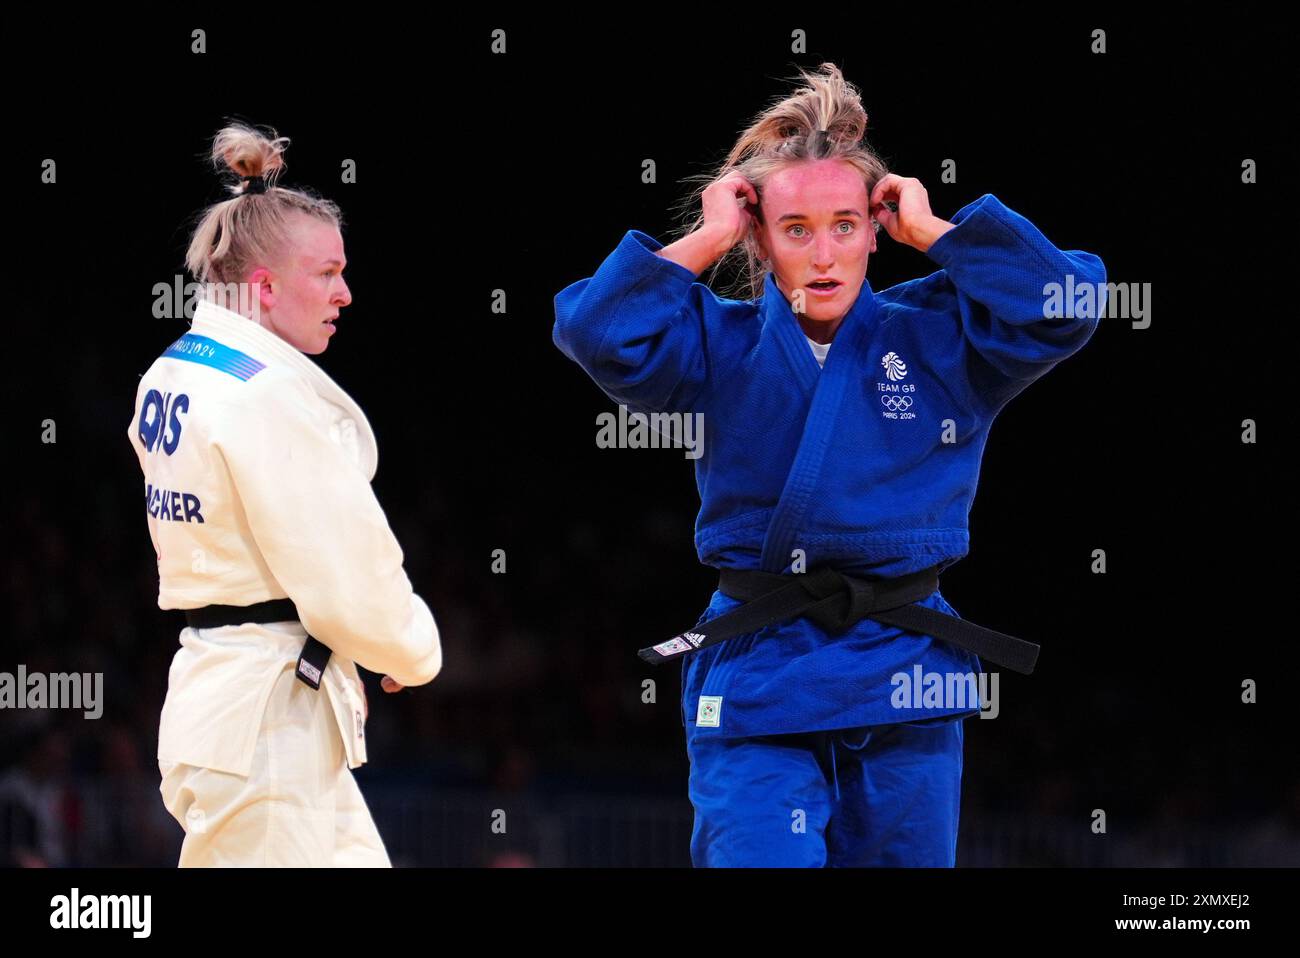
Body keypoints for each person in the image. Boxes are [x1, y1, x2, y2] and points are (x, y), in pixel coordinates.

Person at [552, 63, 1106, 866]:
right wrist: (705, 238)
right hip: (760, 669)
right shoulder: (719, 344)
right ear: (761, 237)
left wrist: (942, 235)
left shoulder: (938, 338)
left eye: (845, 224)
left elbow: (1072, 305)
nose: (824, 254)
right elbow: (596, 332)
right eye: (797, 229)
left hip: (907, 667)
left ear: (876, 229)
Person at [128, 123, 443, 867]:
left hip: (255, 708)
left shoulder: (174, 371)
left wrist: (359, 646)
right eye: (328, 273)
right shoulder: (264, 396)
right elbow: (344, 571)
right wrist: (410, 648)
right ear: (264, 286)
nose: (345, 292)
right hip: (265, 732)